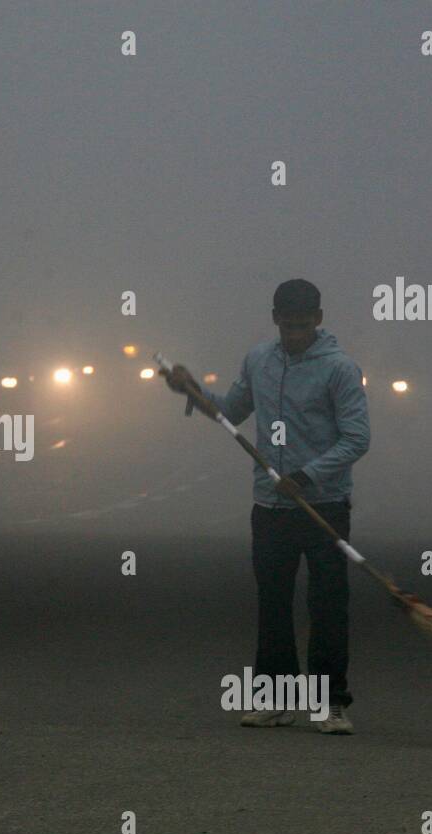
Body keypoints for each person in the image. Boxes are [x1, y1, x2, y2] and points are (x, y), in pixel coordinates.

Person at [163, 279, 370, 734]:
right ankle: (275, 699)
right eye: (286, 324)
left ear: (318, 318)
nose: (294, 333)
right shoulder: (259, 360)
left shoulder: (339, 369)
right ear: (274, 317)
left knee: (328, 604)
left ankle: (330, 703)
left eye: (303, 324)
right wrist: (189, 390)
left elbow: (357, 438)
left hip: (325, 505)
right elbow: (231, 412)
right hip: (270, 505)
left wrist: (308, 475)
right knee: (273, 603)